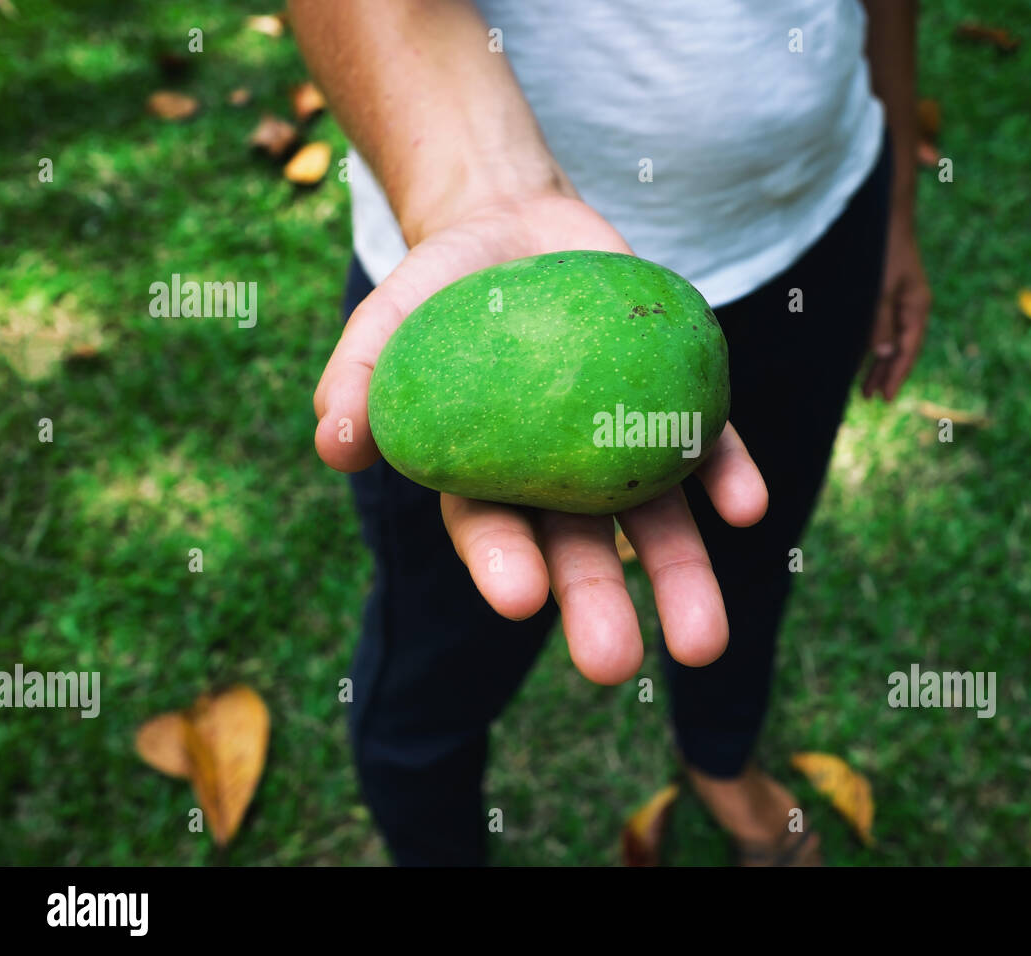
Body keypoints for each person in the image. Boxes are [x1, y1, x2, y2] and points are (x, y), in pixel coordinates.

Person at [292, 0, 930, 866]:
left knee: (751, 565)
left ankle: (719, 757)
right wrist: (477, 185)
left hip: (819, 214)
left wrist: (893, 188)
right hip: (469, 206)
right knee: (437, 663)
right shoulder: (433, 381)